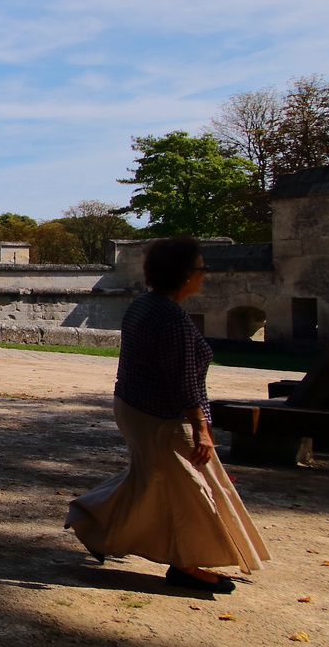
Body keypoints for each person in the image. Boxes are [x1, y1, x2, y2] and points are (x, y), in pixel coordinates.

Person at [65, 236, 268, 592]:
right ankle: (185, 565)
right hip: (160, 416)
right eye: (202, 268)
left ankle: (94, 523)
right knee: (189, 488)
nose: (204, 275)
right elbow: (184, 382)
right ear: (186, 274)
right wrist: (201, 428)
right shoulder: (170, 317)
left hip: (134, 406)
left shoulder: (143, 305)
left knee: (150, 480)